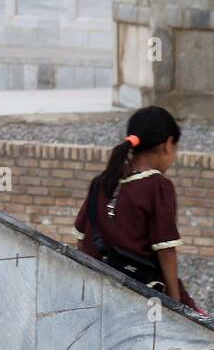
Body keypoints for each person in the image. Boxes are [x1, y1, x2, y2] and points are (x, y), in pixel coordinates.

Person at [74, 106, 201, 312]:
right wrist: (176, 304)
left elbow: (81, 239)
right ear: (168, 144)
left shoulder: (101, 182)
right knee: (196, 317)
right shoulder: (157, 185)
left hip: (97, 289)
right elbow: (166, 249)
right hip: (141, 292)